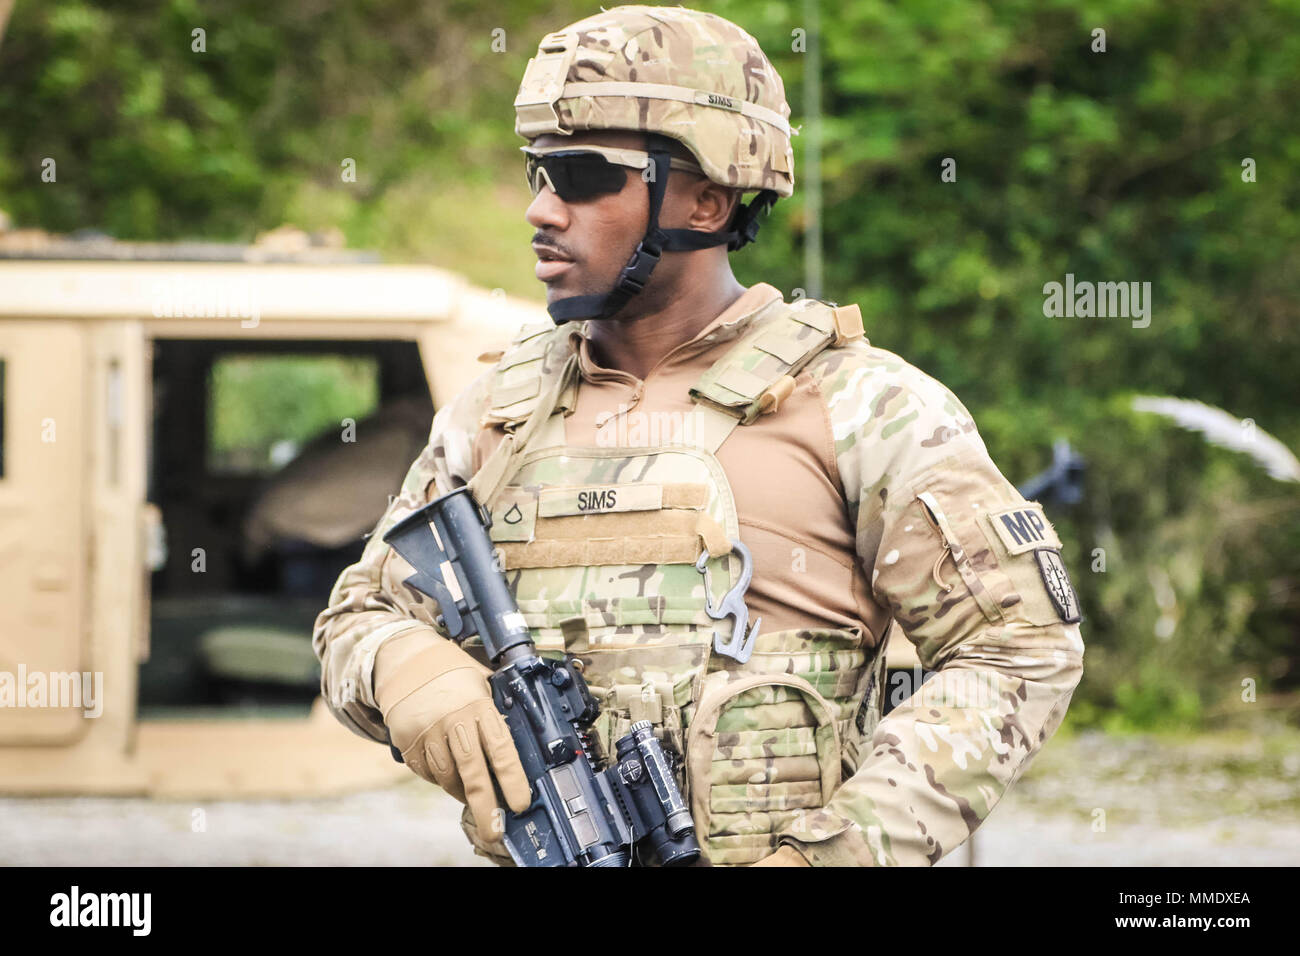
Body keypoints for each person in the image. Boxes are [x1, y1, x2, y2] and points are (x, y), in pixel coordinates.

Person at [312, 4, 1084, 867]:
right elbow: (359, 614)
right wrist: (418, 676)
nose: (541, 210)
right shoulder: (496, 413)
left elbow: (1017, 649)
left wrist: (838, 852)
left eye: (579, 175)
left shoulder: (862, 407)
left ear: (708, 201)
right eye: (536, 172)